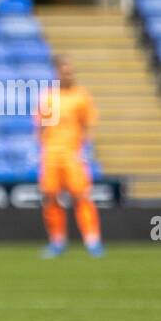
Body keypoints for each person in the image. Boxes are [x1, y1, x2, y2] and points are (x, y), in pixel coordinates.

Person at [36, 55, 103, 257]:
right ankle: (57, 241)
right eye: (64, 71)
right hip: (51, 155)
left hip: (73, 155)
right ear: (57, 73)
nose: (68, 75)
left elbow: (87, 125)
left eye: (70, 72)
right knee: (50, 198)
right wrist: (41, 150)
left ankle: (92, 241)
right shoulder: (48, 97)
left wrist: (86, 149)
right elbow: (40, 126)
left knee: (82, 196)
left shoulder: (81, 96)